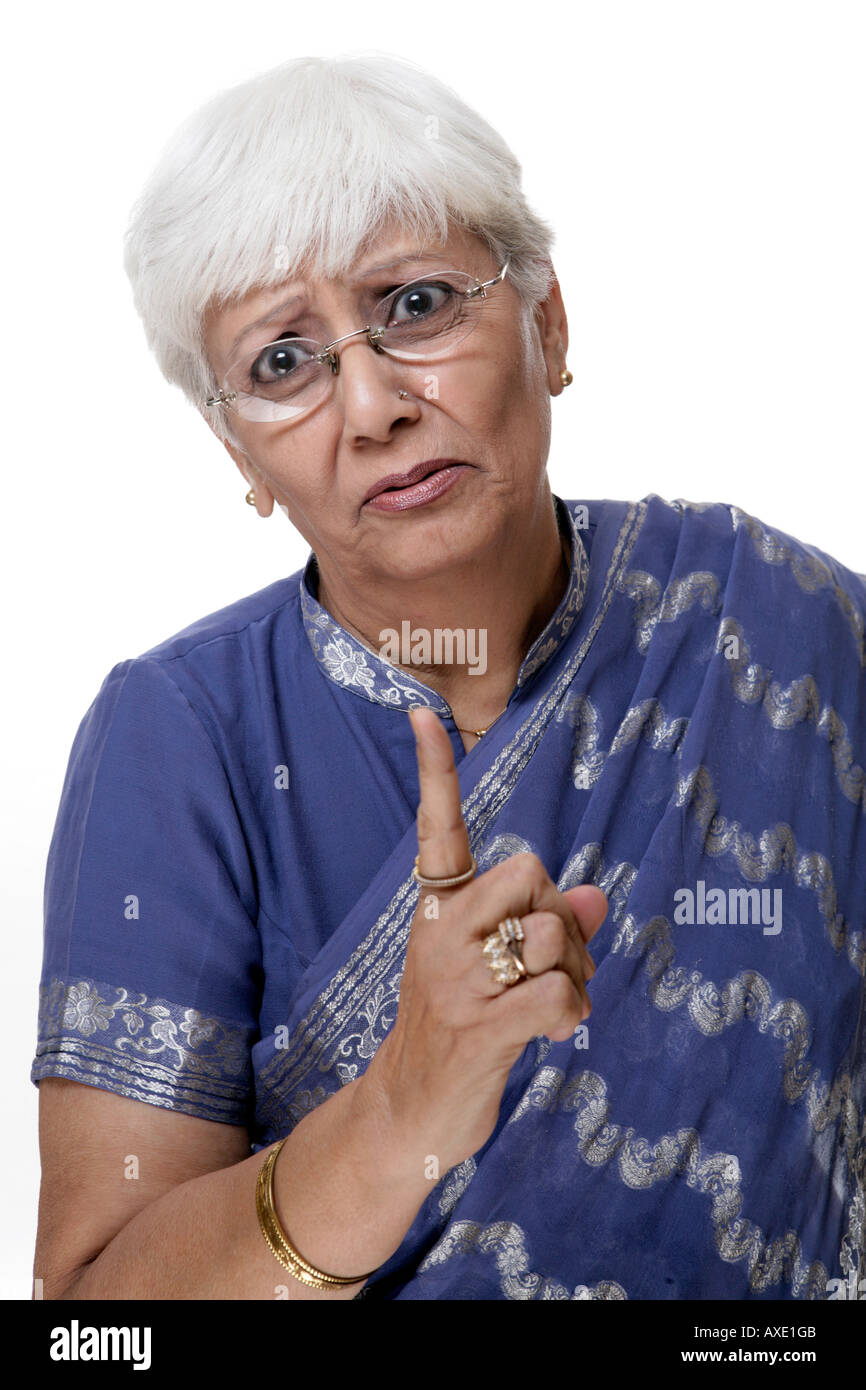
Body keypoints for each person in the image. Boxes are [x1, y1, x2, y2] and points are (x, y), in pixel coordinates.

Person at [31, 53, 865, 1301]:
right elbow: (96, 1327)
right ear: (237, 457)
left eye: (416, 304)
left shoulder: (783, 631)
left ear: (548, 324)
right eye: (280, 364)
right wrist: (402, 1107)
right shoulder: (180, 737)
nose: (369, 405)